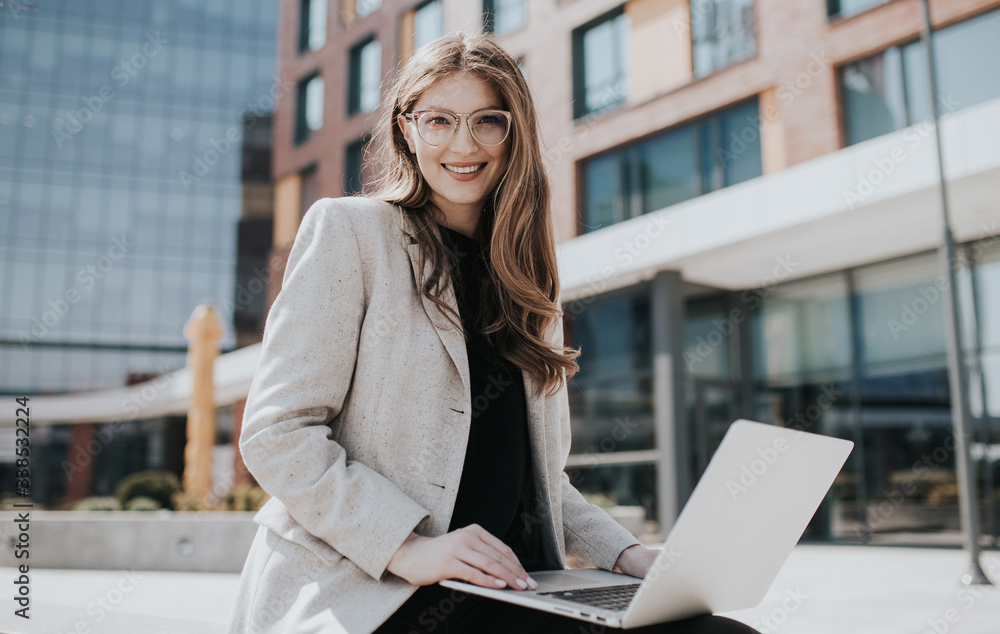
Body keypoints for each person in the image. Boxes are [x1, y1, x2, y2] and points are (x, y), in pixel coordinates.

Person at [227, 32, 761, 634]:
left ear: (515, 135)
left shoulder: (529, 279)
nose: (463, 143)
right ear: (406, 128)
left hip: (519, 585)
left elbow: (542, 480)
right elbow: (279, 433)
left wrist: (626, 555)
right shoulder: (351, 234)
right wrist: (407, 547)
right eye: (439, 121)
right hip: (379, 586)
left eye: (488, 121)